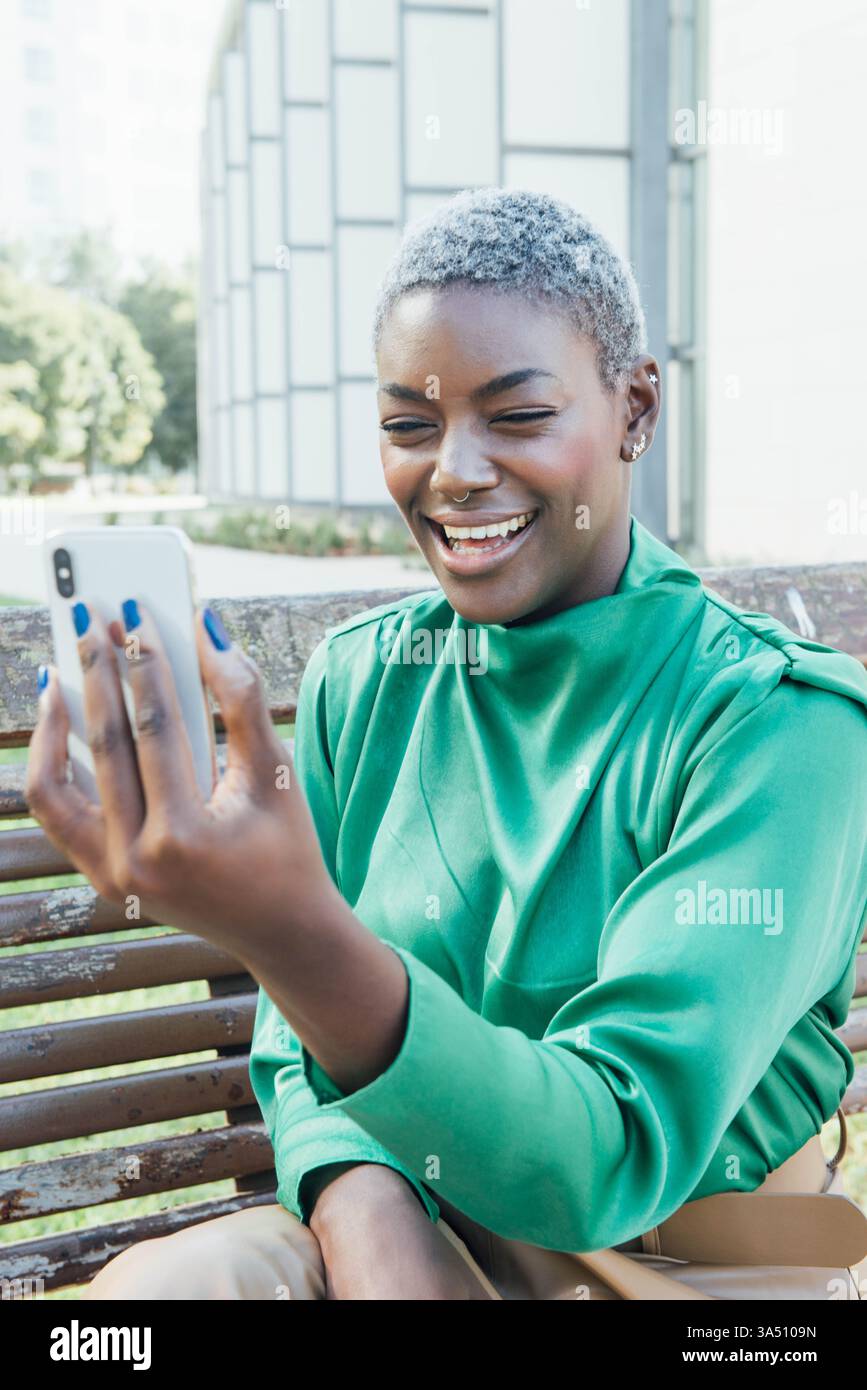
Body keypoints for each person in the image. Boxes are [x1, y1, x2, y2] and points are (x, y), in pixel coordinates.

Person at [28, 189, 867, 1300]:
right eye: (410, 425)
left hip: (691, 1262)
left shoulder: (781, 724)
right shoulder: (366, 680)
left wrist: (291, 926)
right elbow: (296, 1041)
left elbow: (612, 1145)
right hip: (410, 1204)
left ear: (636, 409)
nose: (454, 471)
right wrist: (365, 1203)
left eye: (517, 417)